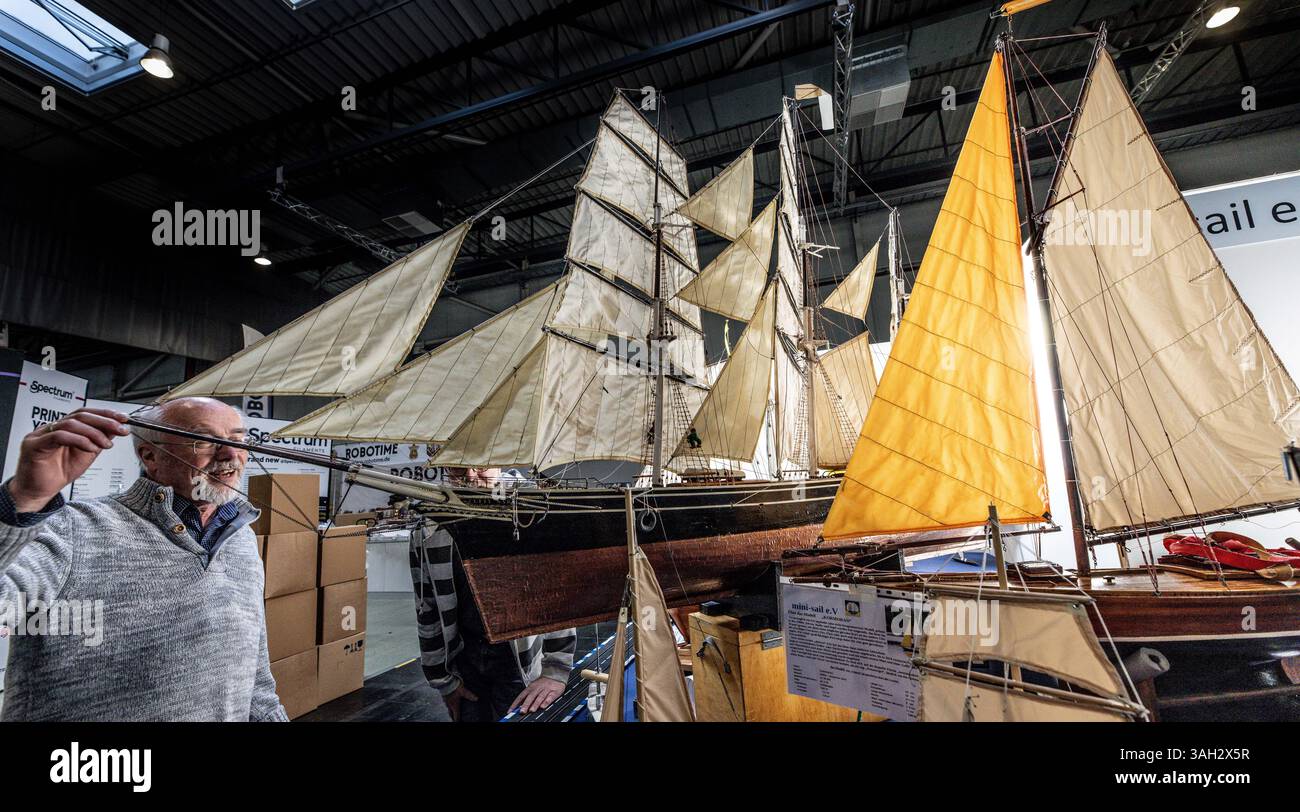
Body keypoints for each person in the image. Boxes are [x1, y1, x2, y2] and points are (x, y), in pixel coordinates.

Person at [0, 398, 287, 721]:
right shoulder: (71, 529)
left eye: (237, 440)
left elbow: (254, 673)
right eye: (204, 441)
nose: (230, 455)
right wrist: (25, 499)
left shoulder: (241, 538)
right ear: (150, 456)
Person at [409, 520, 575, 721]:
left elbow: (554, 593)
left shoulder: (524, 517)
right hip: (464, 665)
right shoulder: (426, 531)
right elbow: (427, 609)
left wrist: (555, 671)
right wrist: (443, 682)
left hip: (517, 663)